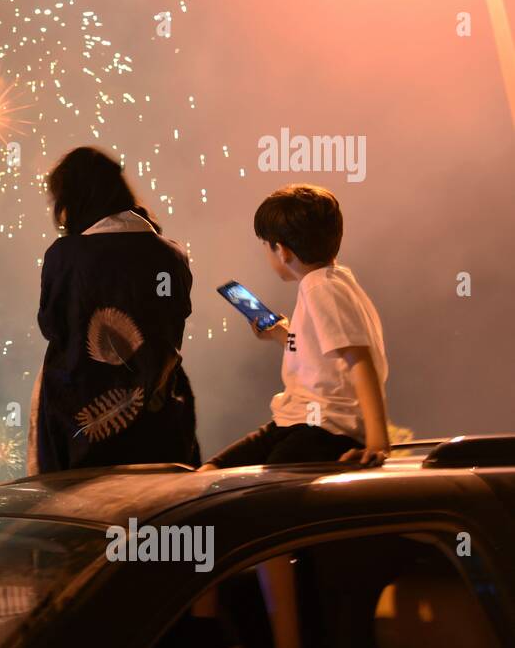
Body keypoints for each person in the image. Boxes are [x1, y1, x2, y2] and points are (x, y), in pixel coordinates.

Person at [30, 147, 200, 473]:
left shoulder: (66, 257)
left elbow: (52, 325)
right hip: (163, 419)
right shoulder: (172, 255)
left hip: (83, 426)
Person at [201, 184, 390, 470]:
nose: (266, 252)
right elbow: (321, 359)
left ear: (283, 251)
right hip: (295, 420)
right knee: (213, 471)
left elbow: (359, 360)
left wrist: (377, 443)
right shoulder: (332, 282)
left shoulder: (320, 288)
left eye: (266, 245)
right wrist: (281, 334)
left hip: (325, 429)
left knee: (252, 490)